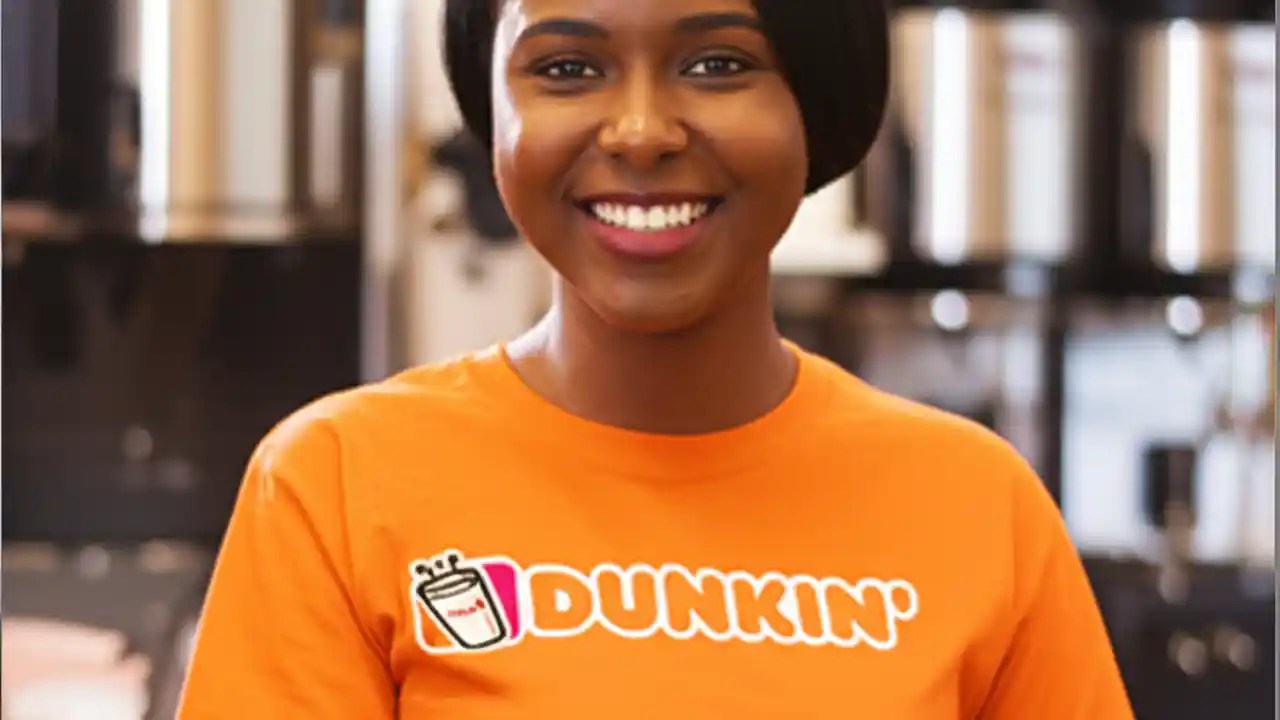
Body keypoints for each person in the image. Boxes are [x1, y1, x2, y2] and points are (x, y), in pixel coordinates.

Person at [179, 0, 1134, 717]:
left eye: (718, 63)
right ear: (494, 114)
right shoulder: (336, 487)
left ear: (818, 103)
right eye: (566, 67)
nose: (639, 131)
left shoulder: (975, 503)